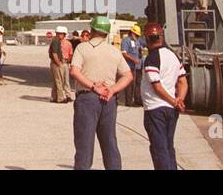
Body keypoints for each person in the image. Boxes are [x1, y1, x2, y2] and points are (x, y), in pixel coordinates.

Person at [70, 15, 133, 170]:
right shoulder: (114, 51)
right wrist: (112, 89)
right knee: (109, 143)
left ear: (92, 30)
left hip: (87, 99)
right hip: (109, 100)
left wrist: (93, 86)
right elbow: (128, 75)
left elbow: (74, 71)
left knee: (84, 145)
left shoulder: (82, 48)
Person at [141, 22, 188, 170]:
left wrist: (174, 101)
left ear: (147, 39)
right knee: (168, 147)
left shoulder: (151, 58)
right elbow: (183, 82)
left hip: (155, 109)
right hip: (171, 111)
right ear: (162, 37)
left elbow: (157, 87)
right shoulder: (173, 56)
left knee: (159, 149)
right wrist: (179, 99)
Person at [119, 24, 143, 107]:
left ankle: (137, 99)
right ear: (132, 33)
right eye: (136, 35)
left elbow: (143, 45)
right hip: (130, 67)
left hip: (138, 67)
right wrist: (133, 59)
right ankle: (129, 101)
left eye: (138, 35)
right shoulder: (126, 41)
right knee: (130, 84)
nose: (137, 37)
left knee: (138, 83)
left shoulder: (138, 41)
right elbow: (124, 54)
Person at [48, 26, 71, 102]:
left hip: (64, 62)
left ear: (64, 35)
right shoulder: (55, 42)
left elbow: (70, 54)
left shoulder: (67, 43)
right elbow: (53, 54)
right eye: (58, 34)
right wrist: (59, 63)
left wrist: (68, 62)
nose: (59, 35)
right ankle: (60, 98)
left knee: (62, 81)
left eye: (61, 34)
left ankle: (54, 97)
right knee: (58, 81)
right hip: (57, 63)